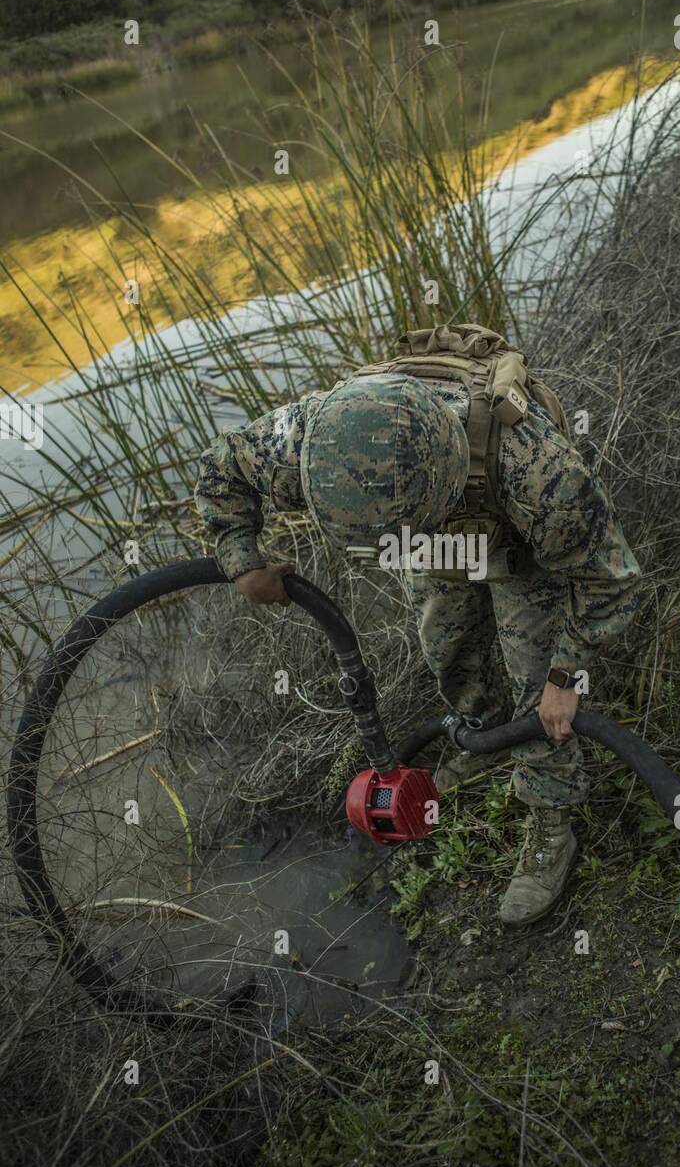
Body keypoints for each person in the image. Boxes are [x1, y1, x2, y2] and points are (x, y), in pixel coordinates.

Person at [194, 323, 642, 925]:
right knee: (445, 644)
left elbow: (608, 575)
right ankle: (480, 735)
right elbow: (221, 469)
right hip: (434, 541)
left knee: (537, 685)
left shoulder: (537, 469)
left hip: (512, 541)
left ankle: (549, 821)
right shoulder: (306, 440)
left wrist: (568, 675)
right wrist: (243, 563)